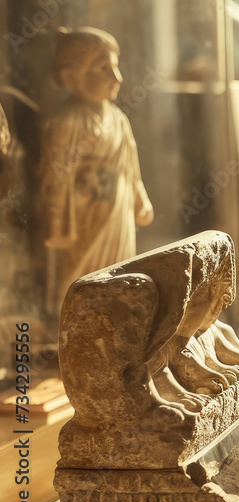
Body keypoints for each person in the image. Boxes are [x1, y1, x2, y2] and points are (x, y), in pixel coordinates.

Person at [40, 27, 154, 317]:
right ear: (75, 75)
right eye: (104, 68)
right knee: (82, 274)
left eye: (116, 67)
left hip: (118, 215)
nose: (117, 78)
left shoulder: (119, 120)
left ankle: (112, 323)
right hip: (85, 215)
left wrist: (140, 199)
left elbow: (132, 169)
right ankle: (75, 325)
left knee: (119, 269)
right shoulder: (68, 121)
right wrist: (56, 219)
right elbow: (56, 174)